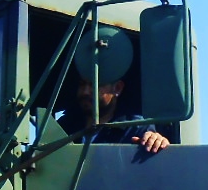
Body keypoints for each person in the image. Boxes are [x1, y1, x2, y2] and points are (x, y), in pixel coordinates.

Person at [61, 25, 170, 154]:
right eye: (82, 84)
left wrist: (157, 141)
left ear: (117, 88)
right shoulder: (64, 129)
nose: (85, 92)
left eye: (95, 85)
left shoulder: (136, 129)